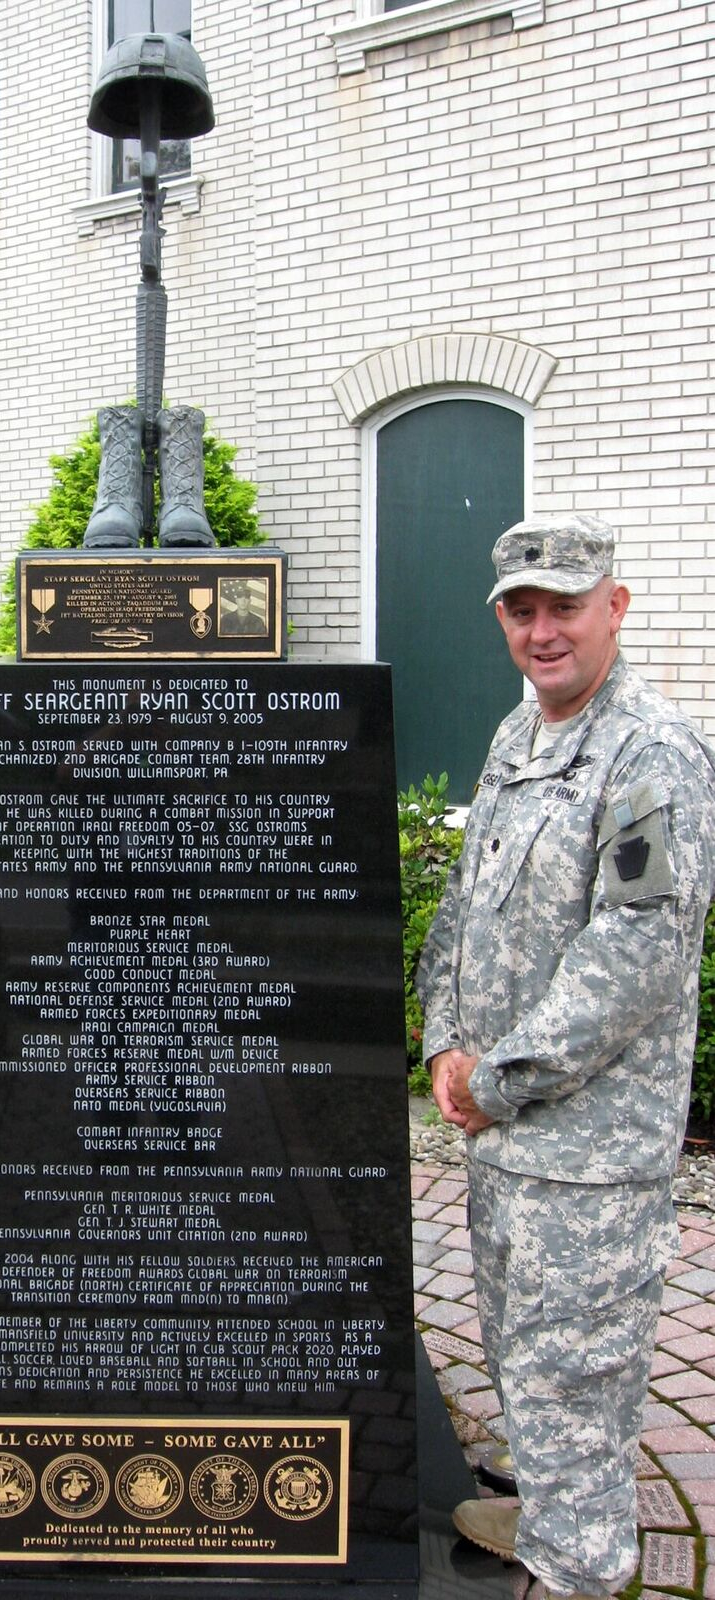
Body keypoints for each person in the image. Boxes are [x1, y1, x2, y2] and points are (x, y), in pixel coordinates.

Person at [417, 514, 715, 1600]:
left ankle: (577, 1565)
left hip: (585, 1151)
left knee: (575, 1368)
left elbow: (633, 953)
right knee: (523, 1352)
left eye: (565, 608)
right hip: (508, 1140)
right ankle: (551, 1504)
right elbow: (465, 901)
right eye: (521, 610)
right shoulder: (519, 734)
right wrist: (444, 1033)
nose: (543, 632)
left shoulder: (650, 756)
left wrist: (495, 1082)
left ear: (614, 608)